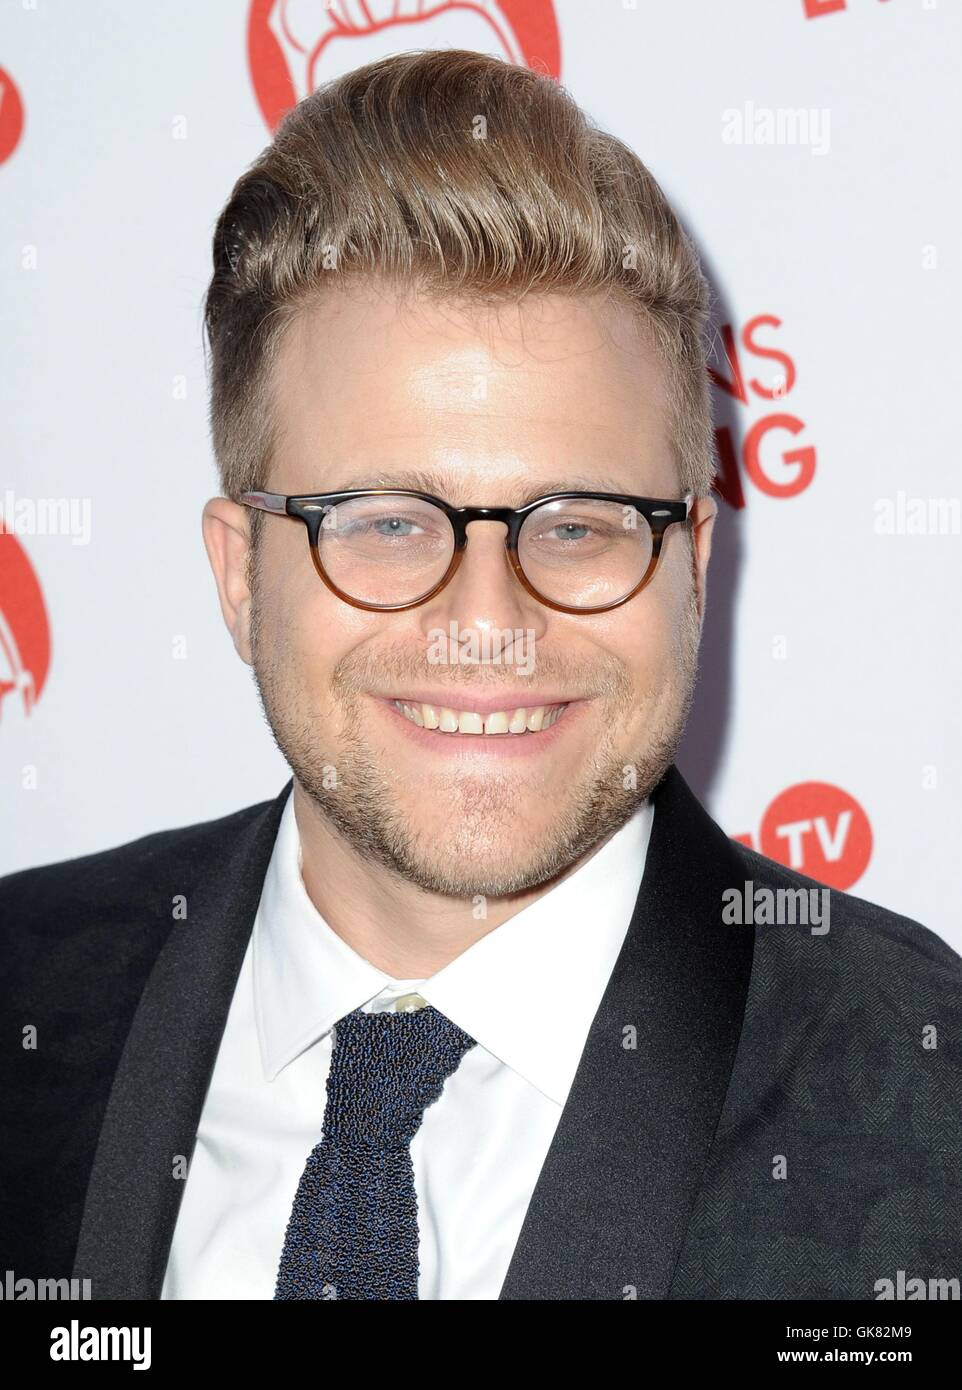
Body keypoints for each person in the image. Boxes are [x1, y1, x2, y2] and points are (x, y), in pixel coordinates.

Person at [2, 49, 960, 1303]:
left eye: (577, 524)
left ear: (691, 568)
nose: (487, 621)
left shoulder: (927, 1106)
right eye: (387, 522)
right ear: (238, 576)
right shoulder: (27, 989)